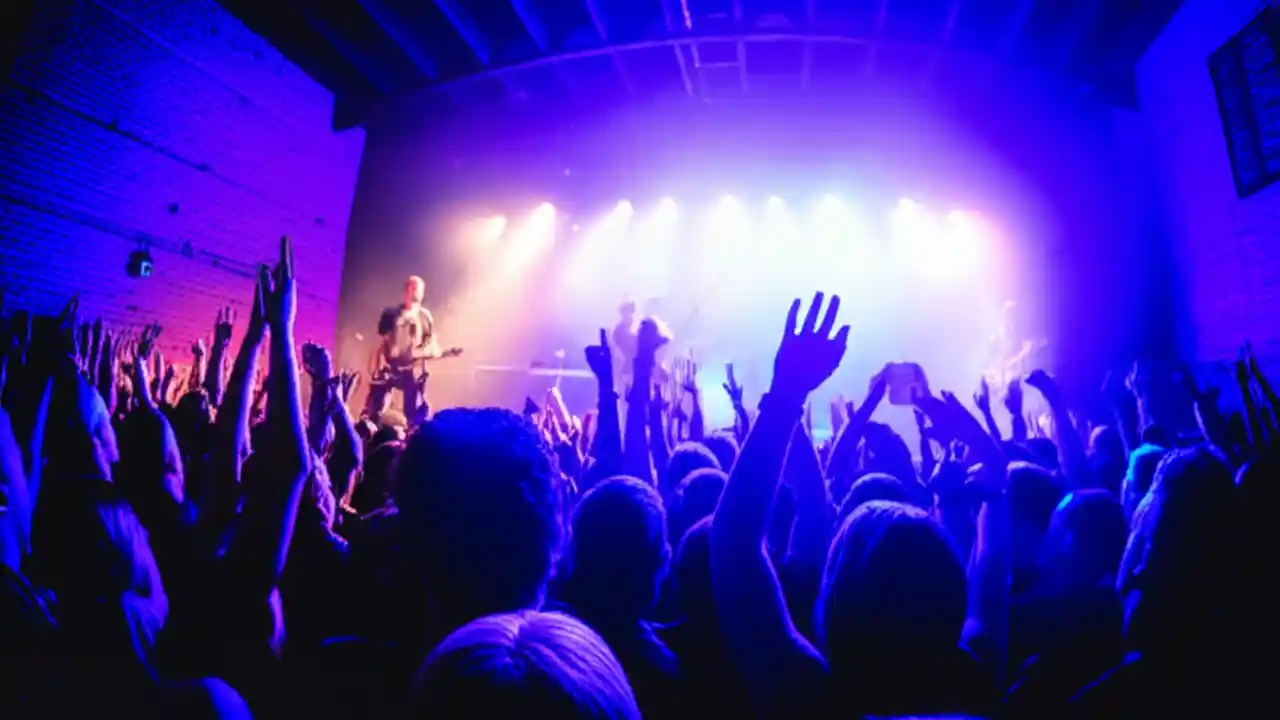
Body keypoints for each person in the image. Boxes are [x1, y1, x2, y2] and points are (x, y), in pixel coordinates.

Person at [366, 275, 442, 421]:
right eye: (410, 287)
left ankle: (414, 429)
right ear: (405, 289)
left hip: (412, 369)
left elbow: (432, 344)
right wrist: (375, 367)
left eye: (417, 288)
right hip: (389, 367)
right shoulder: (391, 314)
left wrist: (426, 352)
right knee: (376, 409)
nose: (413, 291)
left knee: (413, 411)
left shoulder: (425, 317)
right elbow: (379, 342)